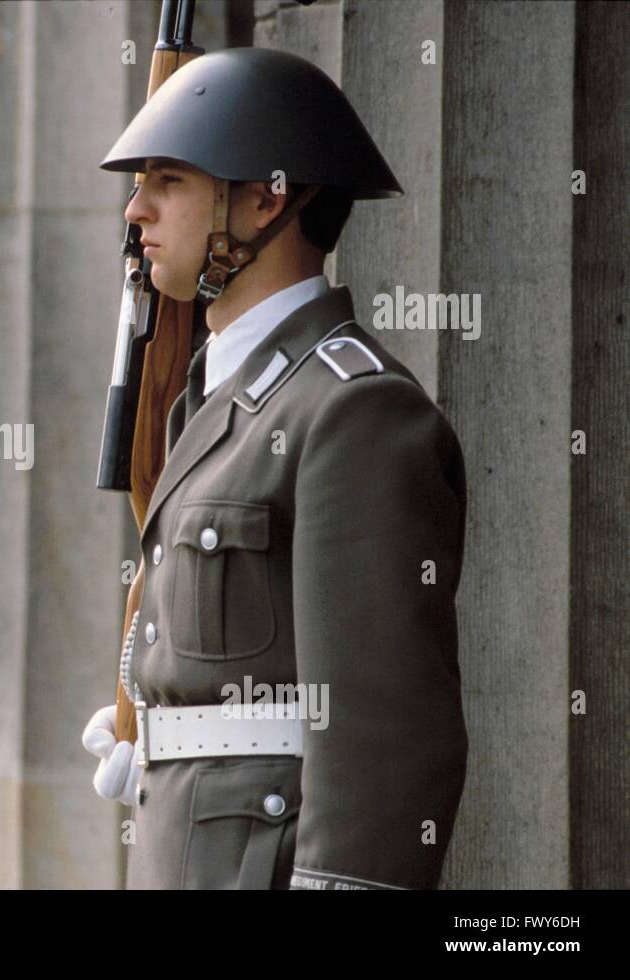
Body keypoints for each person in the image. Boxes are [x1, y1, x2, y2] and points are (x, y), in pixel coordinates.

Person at [81, 47, 469, 890]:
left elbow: (384, 732)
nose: (135, 209)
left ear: (267, 196)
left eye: (168, 180)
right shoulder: (210, 399)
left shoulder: (352, 411)